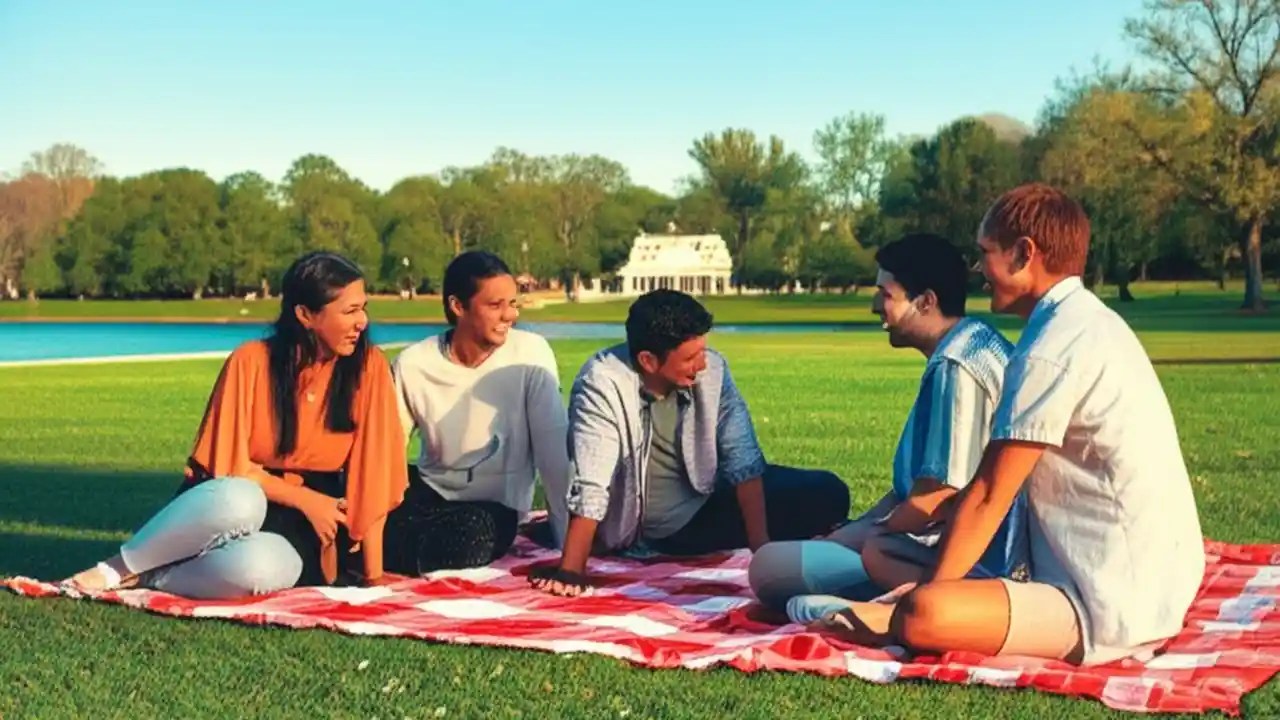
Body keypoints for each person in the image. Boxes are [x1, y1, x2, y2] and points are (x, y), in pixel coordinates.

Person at [816, 183, 1205, 666]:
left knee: (926, 612)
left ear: (1024, 254)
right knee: (896, 559)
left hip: (1104, 599)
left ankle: (888, 618)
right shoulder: (1085, 322)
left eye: (986, 254)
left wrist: (926, 598)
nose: (978, 271)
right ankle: (907, 605)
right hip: (1144, 579)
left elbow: (988, 494)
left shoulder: (1054, 347)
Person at [66, 251, 409, 598]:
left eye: (363, 308)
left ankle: (152, 576)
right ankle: (116, 569)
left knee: (262, 568)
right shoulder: (251, 361)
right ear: (306, 315)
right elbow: (227, 469)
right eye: (350, 311)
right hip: (229, 502)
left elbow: (375, 474)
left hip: (307, 525)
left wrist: (372, 577)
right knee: (240, 497)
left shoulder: (369, 368)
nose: (362, 321)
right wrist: (305, 499)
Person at [748, 233, 1027, 623]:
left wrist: (870, 535)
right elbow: (909, 491)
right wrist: (848, 535)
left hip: (976, 559)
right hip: (946, 544)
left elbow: (938, 496)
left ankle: (901, 606)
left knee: (769, 567)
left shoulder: (958, 366)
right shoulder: (970, 345)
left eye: (886, 294)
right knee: (826, 549)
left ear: (926, 301)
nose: (875, 305)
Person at [530, 289, 850, 597]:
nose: (702, 364)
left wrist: (761, 549)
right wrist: (571, 570)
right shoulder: (601, 383)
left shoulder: (713, 371)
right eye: (690, 357)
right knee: (806, 508)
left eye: (702, 352)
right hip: (665, 527)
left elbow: (743, 457)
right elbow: (592, 481)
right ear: (648, 361)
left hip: (707, 489)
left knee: (829, 492)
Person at [386, 250, 569, 573]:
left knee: (474, 538)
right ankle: (375, 549)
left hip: (493, 511)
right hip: (429, 494)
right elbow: (387, 454)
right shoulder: (413, 362)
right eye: (495, 305)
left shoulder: (530, 354)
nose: (510, 315)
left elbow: (553, 456)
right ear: (458, 307)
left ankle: (390, 551)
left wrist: (566, 541)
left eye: (513, 304)